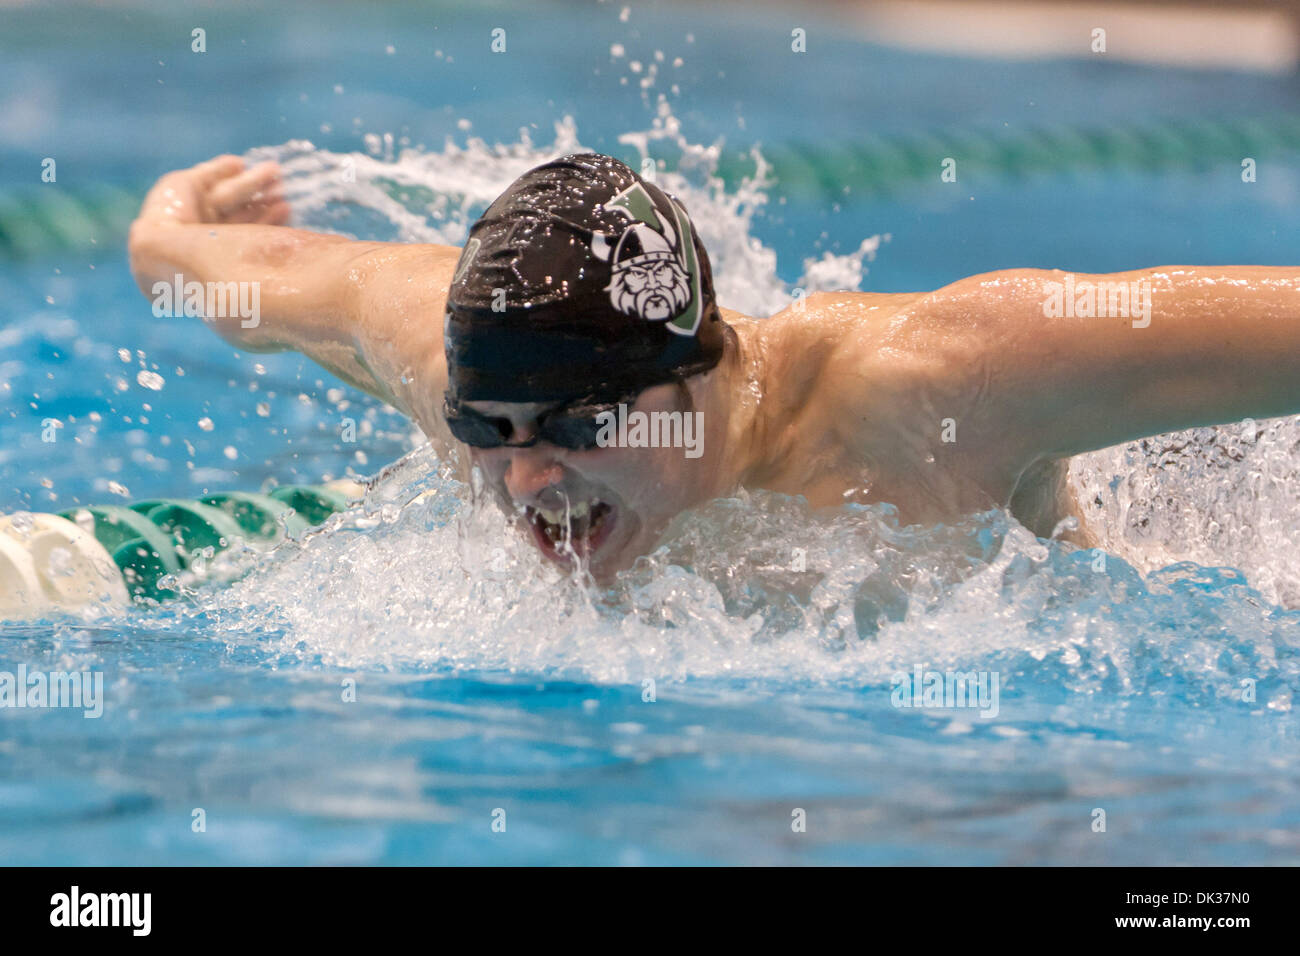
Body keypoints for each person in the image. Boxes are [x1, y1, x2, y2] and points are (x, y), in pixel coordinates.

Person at [127, 152, 1300, 579]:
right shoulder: (457, 376)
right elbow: (202, 268)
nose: (528, 483)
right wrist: (175, 212)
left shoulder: (941, 383)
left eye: (577, 427)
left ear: (698, 372)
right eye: (492, 433)